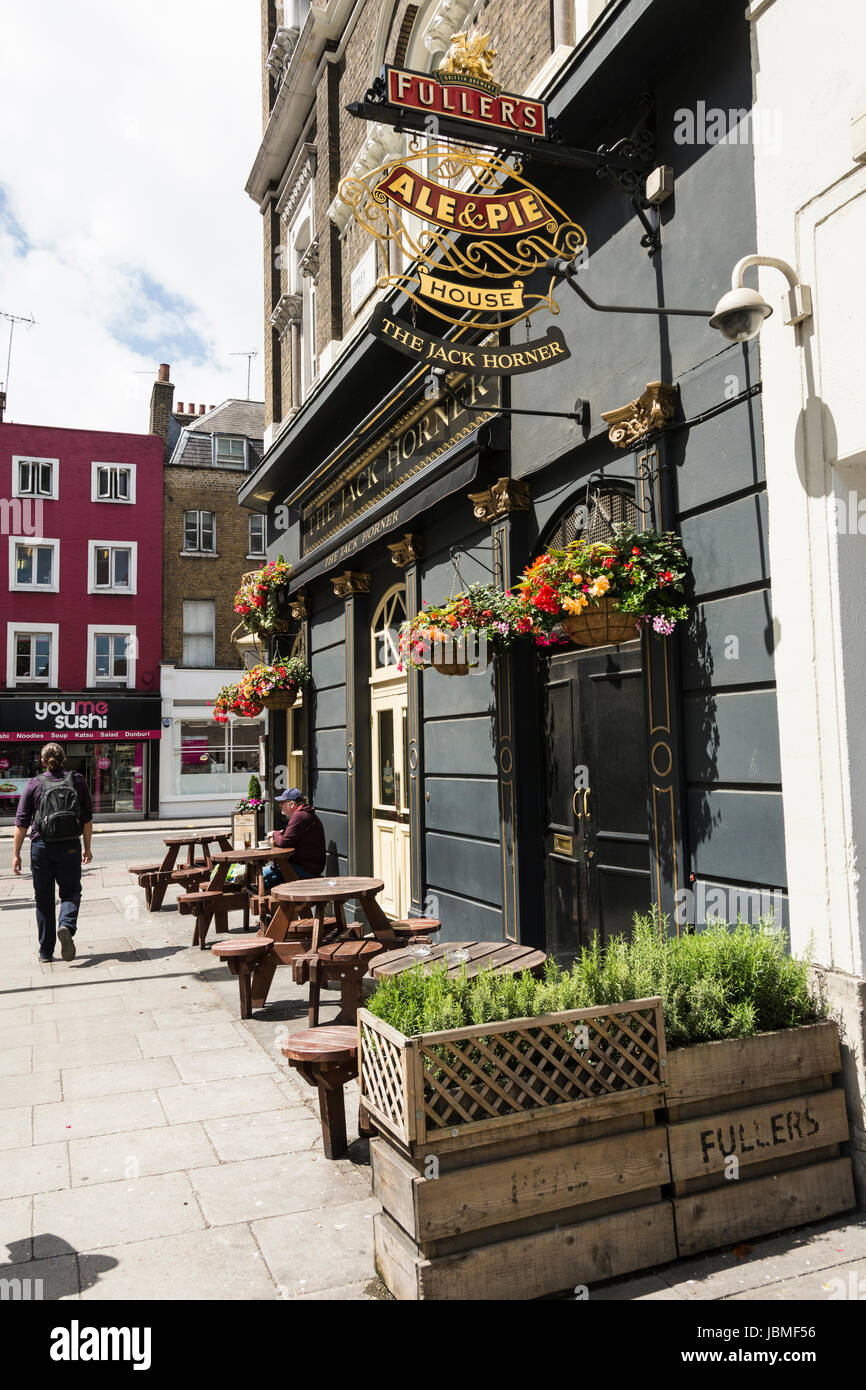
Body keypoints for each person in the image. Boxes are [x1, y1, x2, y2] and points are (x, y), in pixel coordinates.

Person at [11, 742, 93, 963]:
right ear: (64, 758)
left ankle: (46, 952)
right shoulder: (77, 780)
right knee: (71, 892)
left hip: (41, 848)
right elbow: (87, 819)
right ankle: (65, 924)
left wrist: (16, 854)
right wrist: (87, 847)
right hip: (69, 846)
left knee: (44, 900)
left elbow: (21, 824)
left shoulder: (34, 784)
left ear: (43, 761)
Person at [266, 788, 326, 879]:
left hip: (306, 869)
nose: (280, 805)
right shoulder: (304, 814)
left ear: (292, 804)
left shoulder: (299, 816)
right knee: (261, 874)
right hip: (305, 866)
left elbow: (284, 842)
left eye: (282, 803)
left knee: (264, 879)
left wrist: (275, 833)